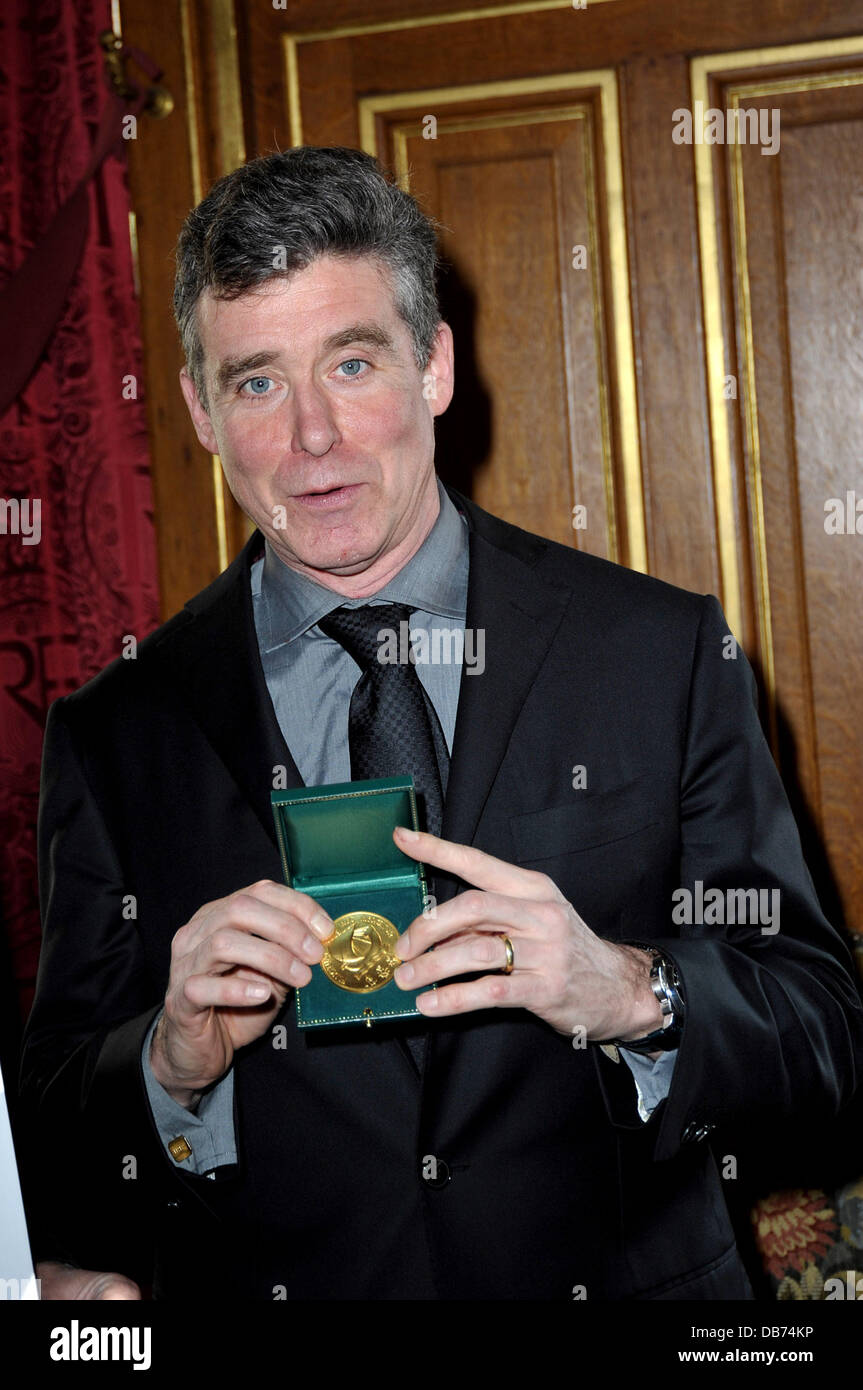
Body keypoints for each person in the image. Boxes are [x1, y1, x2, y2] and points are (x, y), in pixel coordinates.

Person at [19, 146, 863, 1301]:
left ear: (433, 368)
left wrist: (629, 990)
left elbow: (827, 1041)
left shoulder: (659, 653)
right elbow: (54, 1153)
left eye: (351, 363)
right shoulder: (115, 731)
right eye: (257, 382)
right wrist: (170, 1065)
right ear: (201, 413)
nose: (311, 437)